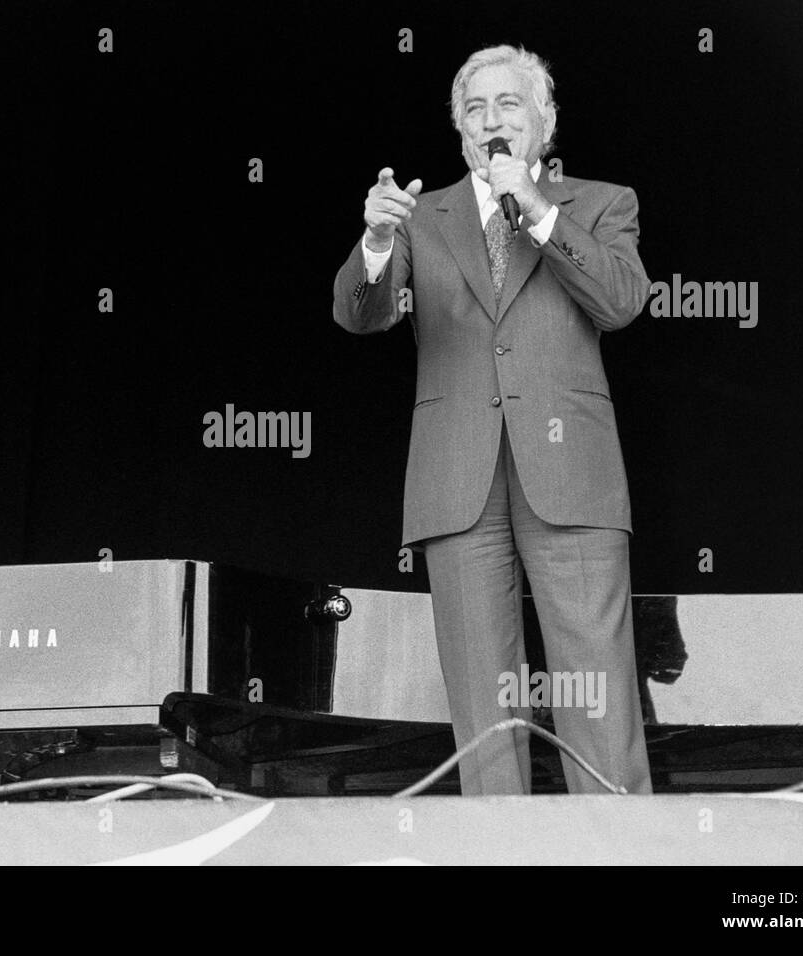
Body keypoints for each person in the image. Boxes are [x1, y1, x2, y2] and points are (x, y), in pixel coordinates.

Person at [332, 44, 652, 795]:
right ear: (459, 132)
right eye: (474, 109)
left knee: (596, 689)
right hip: (457, 475)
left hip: (572, 470)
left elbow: (622, 301)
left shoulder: (602, 202)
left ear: (544, 120)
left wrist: (538, 211)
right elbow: (361, 315)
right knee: (484, 701)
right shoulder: (423, 217)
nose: (490, 120)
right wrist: (376, 244)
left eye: (508, 104)